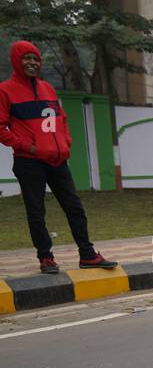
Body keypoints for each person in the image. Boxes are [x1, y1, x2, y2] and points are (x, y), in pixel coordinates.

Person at [0, 41, 117, 273]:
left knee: (75, 208)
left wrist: (66, 144)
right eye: (27, 58)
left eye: (35, 59)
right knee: (36, 212)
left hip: (57, 160)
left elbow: (60, 119)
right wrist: (28, 148)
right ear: (16, 61)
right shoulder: (5, 90)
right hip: (29, 162)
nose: (32, 63)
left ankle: (88, 255)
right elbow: (1, 127)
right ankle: (46, 258)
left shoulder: (47, 89)